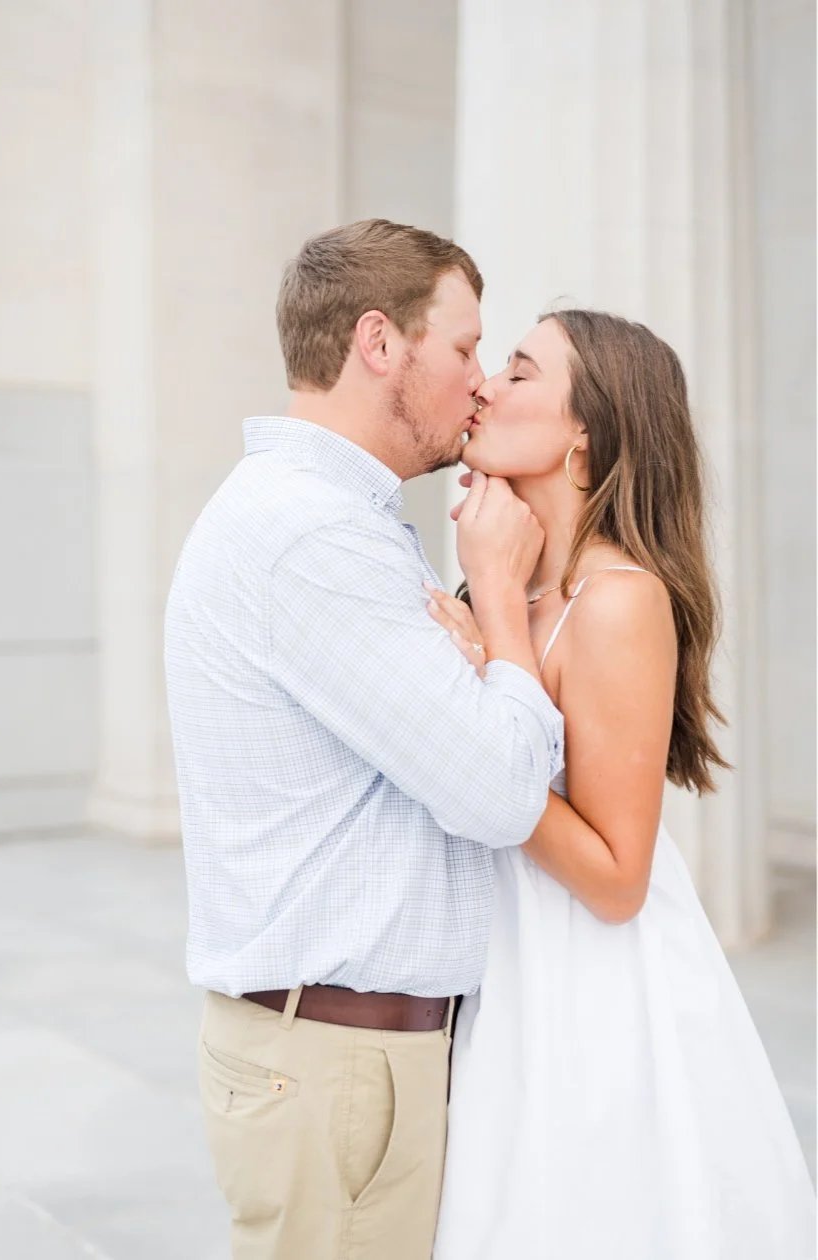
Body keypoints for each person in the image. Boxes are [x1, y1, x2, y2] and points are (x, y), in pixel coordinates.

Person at [163, 219, 565, 1259]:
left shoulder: (329, 520)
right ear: (379, 343)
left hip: (340, 1057)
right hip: (337, 1066)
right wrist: (510, 622)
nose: (479, 382)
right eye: (466, 347)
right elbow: (498, 793)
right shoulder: (313, 535)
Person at [427, 309, 815, 1258]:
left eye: (518, 373)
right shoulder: (513, 585)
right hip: (500, 958)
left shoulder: (621, 601)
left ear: (585, 432)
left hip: (584, 985)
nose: (484, 386)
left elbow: (615, 877)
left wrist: (491, 668)